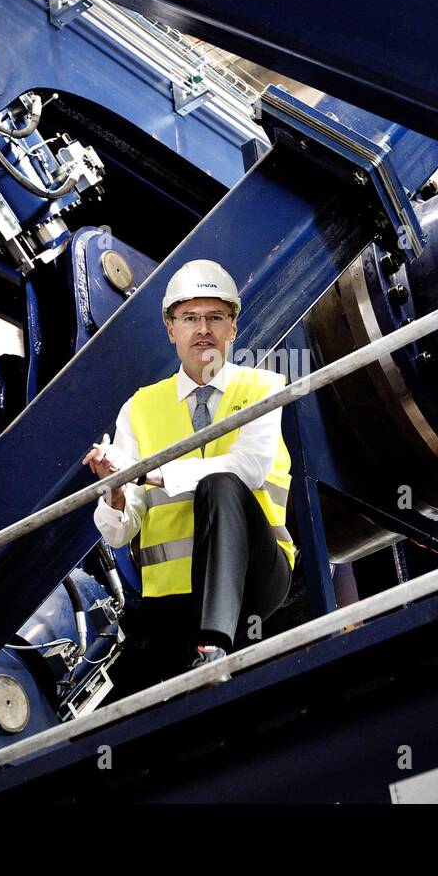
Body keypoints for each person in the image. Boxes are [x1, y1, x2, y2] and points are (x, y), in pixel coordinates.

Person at [82, 259, 297, 677]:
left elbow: (248, 468)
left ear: (233, 328)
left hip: (257, 580)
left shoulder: (263, 388)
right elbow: (119, 529)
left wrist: (147, 472)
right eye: (190, 318)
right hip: (172, 595)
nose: (203, 329)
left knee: (222, 483)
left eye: (215, 317)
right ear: (171, 329)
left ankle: (214, 646)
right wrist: (116, 488)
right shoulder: (139, 408)